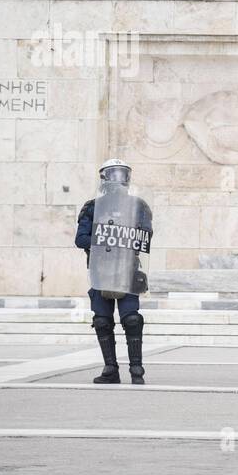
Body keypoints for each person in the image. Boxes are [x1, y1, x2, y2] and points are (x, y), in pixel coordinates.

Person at [75, 159, 152, 385]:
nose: (118, 178)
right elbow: (80, 239)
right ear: (104, 178)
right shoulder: (92, 207)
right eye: (113, 173)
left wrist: (120, 237)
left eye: (122, 173)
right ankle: (111, 368)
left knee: (132, 319)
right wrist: (106, 240)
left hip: (127, 270)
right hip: (101, 270)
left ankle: (136, 369)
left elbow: (145, 236)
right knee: (101, 320)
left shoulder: (139, 206)